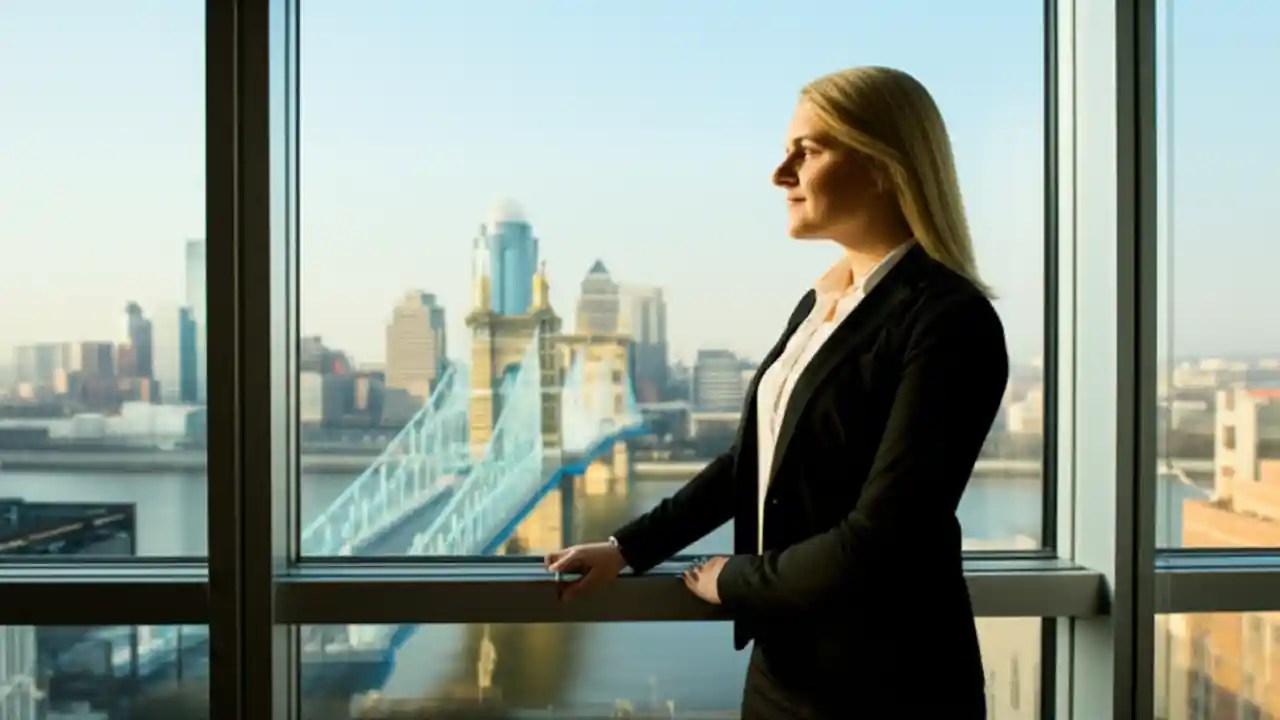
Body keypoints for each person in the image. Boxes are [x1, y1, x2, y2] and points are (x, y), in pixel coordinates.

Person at [543, 65, 1009, 719]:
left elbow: (886, 534)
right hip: (784, 670)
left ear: (882, 164)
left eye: (807, 151)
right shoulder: (822, 304)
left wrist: (735, 580)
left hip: (890, 683)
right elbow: (753, 461)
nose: (779, 173)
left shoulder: (949, 320)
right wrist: (629, 548)